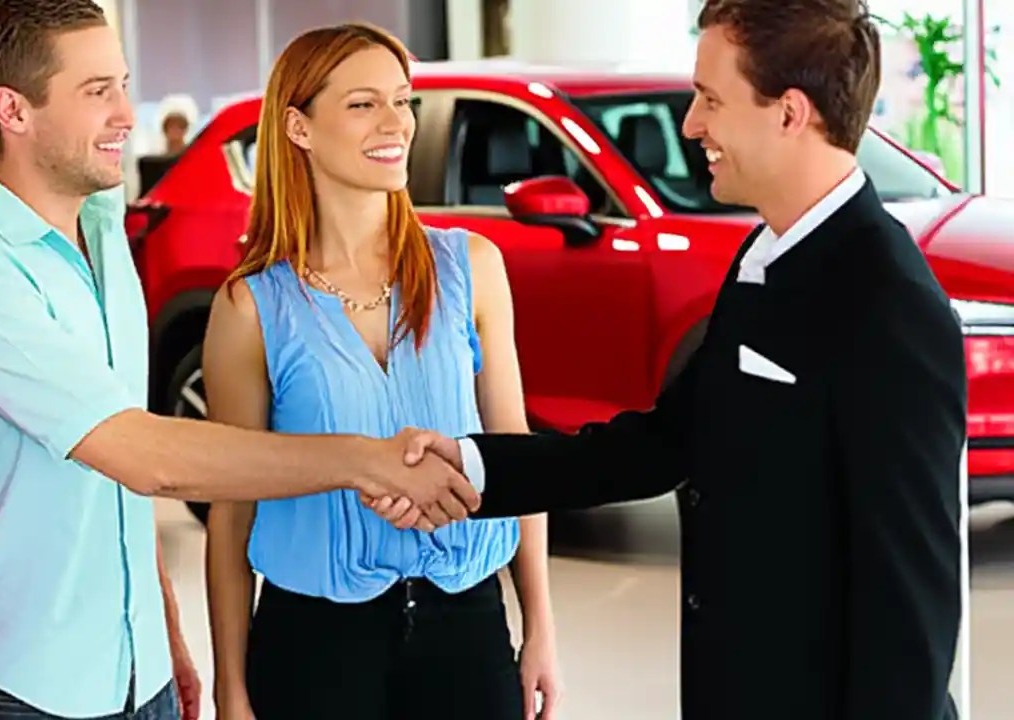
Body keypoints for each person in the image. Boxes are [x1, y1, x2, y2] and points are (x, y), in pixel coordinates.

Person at [380, 1, 967, 719]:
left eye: (710, 100)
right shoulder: (765, 252)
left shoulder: (889, 304)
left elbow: (911, 608)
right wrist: (473, 467)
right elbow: (665, 443)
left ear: (790, 113)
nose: (692, 125)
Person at [0, 3, 477, 720]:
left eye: (124, 84)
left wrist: (162, 625)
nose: (127, 114)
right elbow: (145, 456)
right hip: (21, 686)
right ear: (12, 109)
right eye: (97, 91)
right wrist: (365, 459)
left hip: (138, 673)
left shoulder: (103, 227)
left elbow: (114, 493)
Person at [203, 23, 559, 720]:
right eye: (364, 104)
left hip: (468, 622)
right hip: (313, 640)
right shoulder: (251, 307)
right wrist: (231, 687)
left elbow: (516, 451)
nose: (396, 122)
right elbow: (231, 506)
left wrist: (540, 623)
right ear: (297, 127)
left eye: (403, 100)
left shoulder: (472, 268)